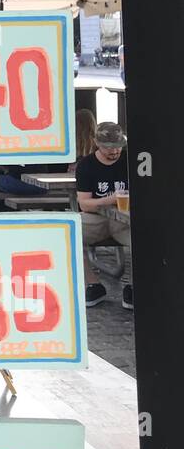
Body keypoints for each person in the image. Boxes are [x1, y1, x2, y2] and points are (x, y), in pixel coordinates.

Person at [76, 120, 132, 310]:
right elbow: (84, 204)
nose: (114, 151)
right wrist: (110, 199)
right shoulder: (86, 165)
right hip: (97, 218)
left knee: (150, 236)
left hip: (125, 219)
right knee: (69, 233)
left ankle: (134, 286)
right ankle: (93, 284)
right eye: (108, 147)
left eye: (117, 146)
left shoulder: (130, 160)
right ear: (96, 143)